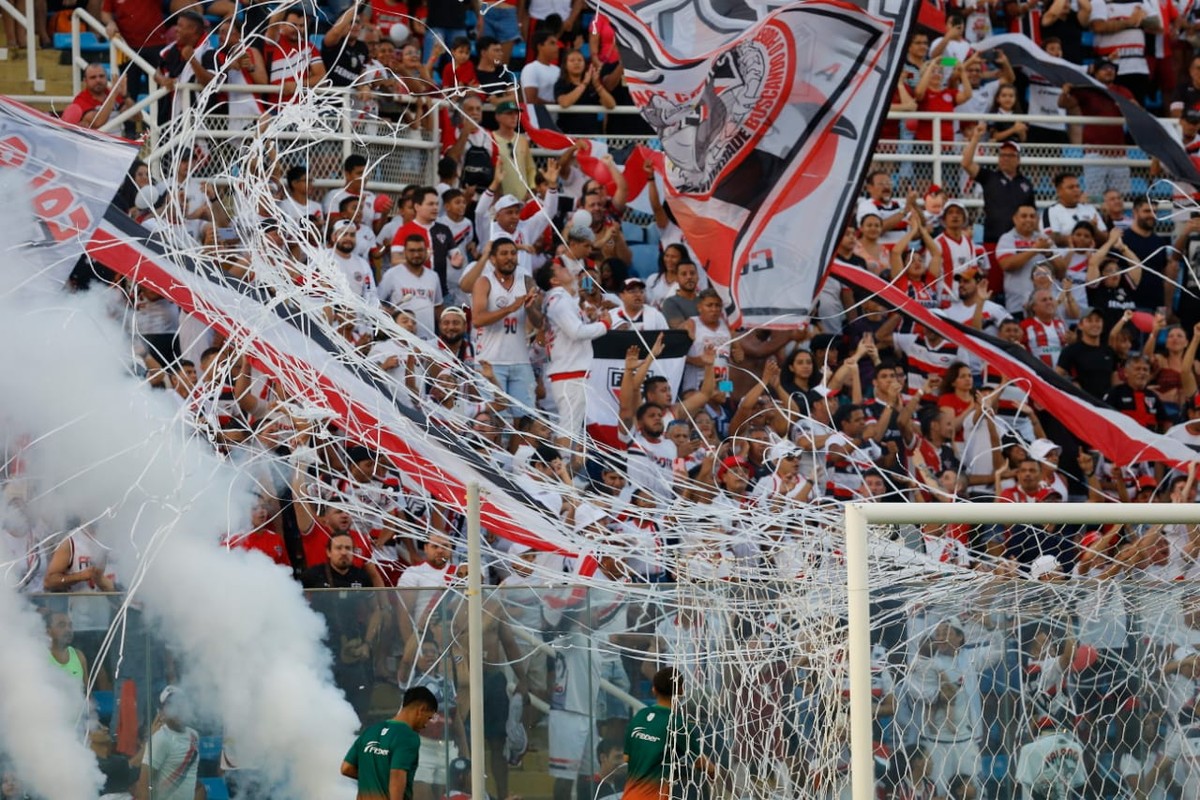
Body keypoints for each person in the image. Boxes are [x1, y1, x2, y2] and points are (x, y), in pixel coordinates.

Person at [621, 667, 715, 800]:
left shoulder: (640, 716)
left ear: (653, 690)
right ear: (681, 691)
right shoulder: (678, 724)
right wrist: (716, 774)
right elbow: (701, 764)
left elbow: (627, 758)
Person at [341, 686, 439, 800]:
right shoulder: (408, 737)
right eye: (428, 718)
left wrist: (374, 778)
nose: (425, 725)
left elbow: (346, 768)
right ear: (421, 710)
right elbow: (397, 775)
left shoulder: (370, 731)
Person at [133, 687, 200, 800]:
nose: (177, 709)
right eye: (171, 705)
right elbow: (143, 786)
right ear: (161, 712)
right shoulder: (160, 739)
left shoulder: (194, 735)